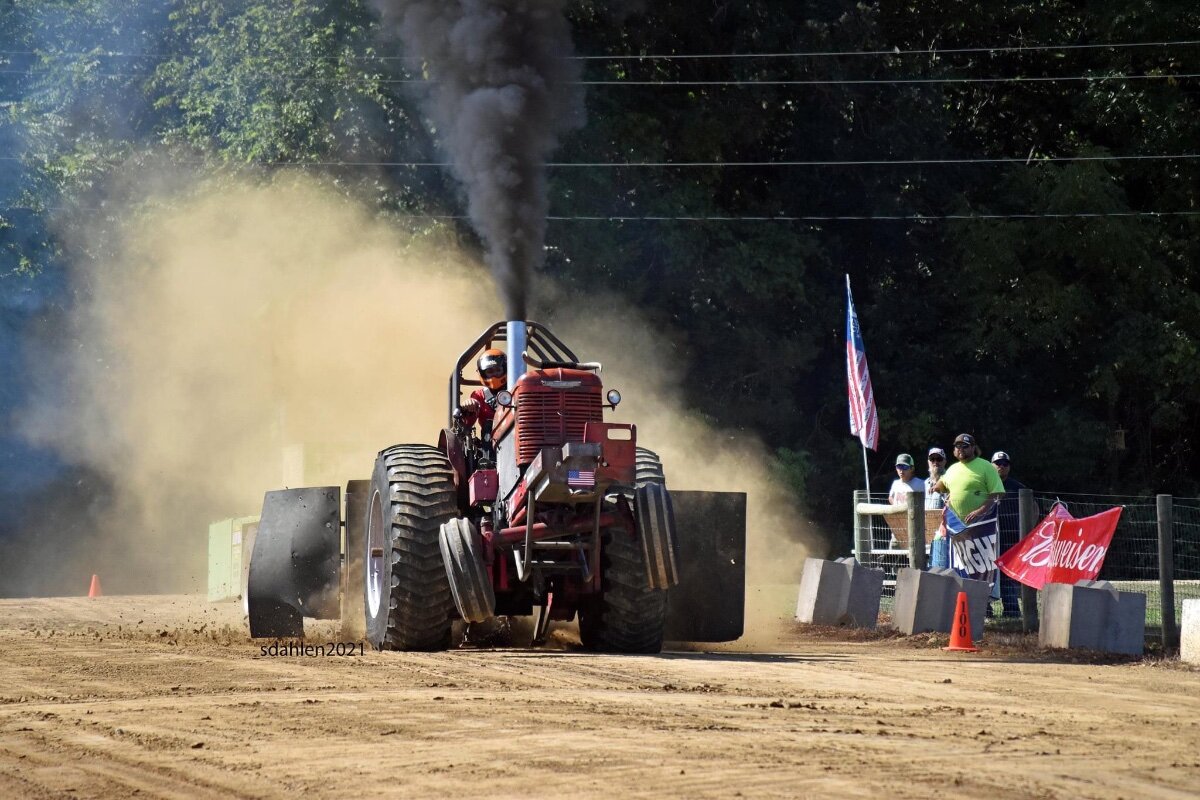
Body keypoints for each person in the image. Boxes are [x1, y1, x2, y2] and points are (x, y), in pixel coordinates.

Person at [932, 434, 1005, 594]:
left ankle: (986, 603)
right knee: (961, 565)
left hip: (981, 528)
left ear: (973, 447)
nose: (960, 449)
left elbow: (998, 493)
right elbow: (942, 484)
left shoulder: (985, 466)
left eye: (964, 446)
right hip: (957, 529)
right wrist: (936, 486)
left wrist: (980, 511)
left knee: (984, 566)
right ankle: (961, 598)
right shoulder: (952, 469)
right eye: (957, 446)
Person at [991, 450, 1027, 618]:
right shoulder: (985, 485)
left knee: (1008, 577)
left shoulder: (1019, 488)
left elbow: (1032, 507)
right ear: (991, 465)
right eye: (998, 463)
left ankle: (1012, 611)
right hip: (989, 539)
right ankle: (985, 611)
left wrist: (1027, 531)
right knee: (986, 574)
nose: (1001, 466)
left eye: (1005, 464)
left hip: (1011, 539)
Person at [456, 349, 506, 440]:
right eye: (490, 372)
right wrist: (469, 407)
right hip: (490, 444)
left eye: (498, 370)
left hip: (519, 433)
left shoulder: (516, 388)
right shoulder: (478, 395)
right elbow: (469, 423)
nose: (494, 375)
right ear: (483, 374)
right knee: (488, 425)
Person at [925, 447, 950, 568]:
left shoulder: (951, 482)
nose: (935, 462)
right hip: (925, 538)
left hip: (943, 538)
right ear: (928, 461)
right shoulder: (923, 484)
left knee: (940, 573)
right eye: (932, 459)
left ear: (944, 461)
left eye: (939, 459)